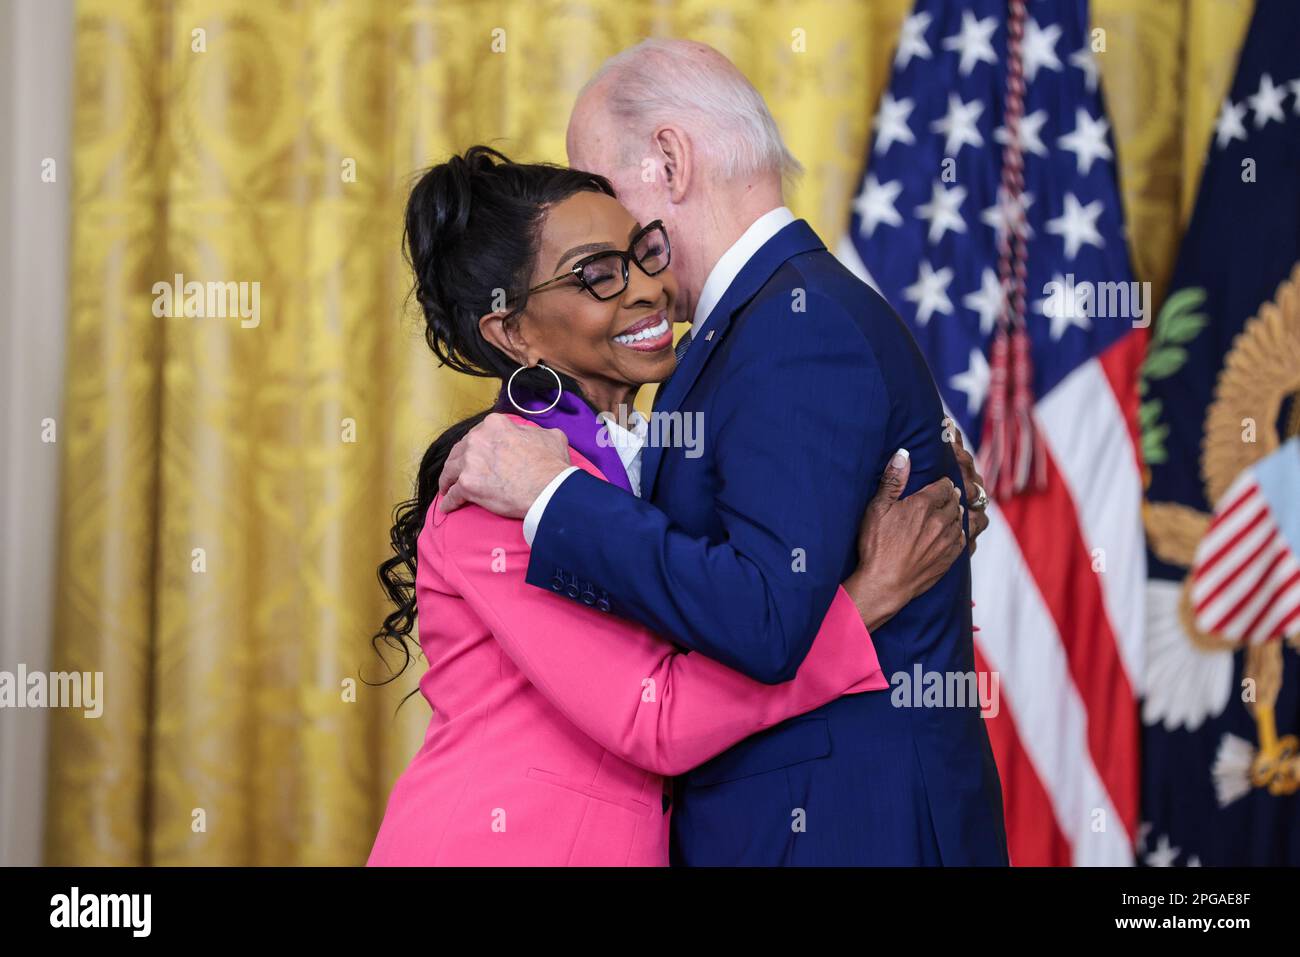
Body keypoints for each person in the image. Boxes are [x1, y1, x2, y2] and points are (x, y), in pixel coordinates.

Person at [438, 40, 1009, 865]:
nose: (608, 230)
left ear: (669, 160)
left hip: (840, 829)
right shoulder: (760, 324)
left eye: (603, 184)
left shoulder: (792, 328)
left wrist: (552, 497)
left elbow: (763, 617)